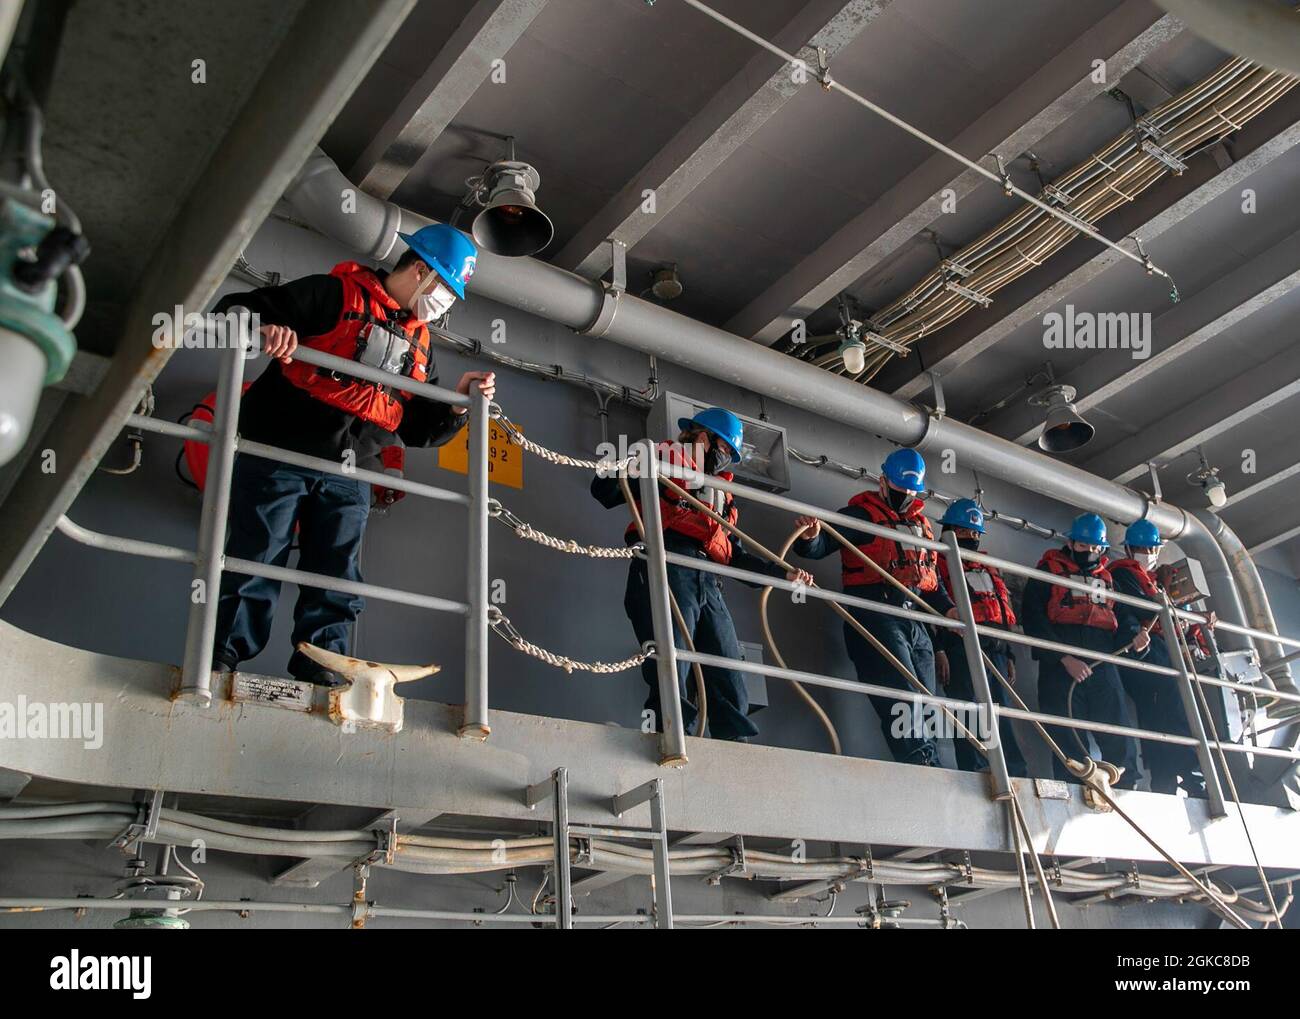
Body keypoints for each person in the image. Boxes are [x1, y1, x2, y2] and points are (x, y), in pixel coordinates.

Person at [210, 224, 496, 685]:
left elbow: (420, 429)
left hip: (352, 472)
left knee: (338, 574)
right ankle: (221, 659)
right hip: (279, 452)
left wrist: (459, 403)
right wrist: (262, 328)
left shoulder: (420, 345)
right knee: (256, 556)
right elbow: (230, 312)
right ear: (421, 271)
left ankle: (322, 669)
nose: (445, 302)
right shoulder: (330, 295)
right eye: (445, 288)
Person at [591, 408, 812, 742]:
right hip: (665, 564)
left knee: (726, 666)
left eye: (730, 455)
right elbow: (603, 490)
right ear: (703, 438)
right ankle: (668, 737)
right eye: (724, 449)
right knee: (672, 660)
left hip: (708, 580)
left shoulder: (720, 495)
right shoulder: (662, 459)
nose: (726, 459)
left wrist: (783, 574)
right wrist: (638, 460)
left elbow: (735, 555)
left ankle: (733, 746)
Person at [793, 448, 953, 766]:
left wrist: (949, 612)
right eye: (899, 490)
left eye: (911, 493)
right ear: (883, 483)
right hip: (875, 614)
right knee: (903, 697)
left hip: (913, 621)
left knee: (928, 703)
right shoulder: (861, 517)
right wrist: (810, 537)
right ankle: (922, 766)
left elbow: (932, 583)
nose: (904, 497)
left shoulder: (922, 528)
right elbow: (819, 547)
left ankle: (931, 765)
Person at [1021, 513, 1149, 786]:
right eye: (1082, 547)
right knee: (1066, 733)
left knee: (1116, 728)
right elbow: (1033, 619)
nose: (1088, 553)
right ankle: (1072, 788)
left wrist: (1135, 637)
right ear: (1071, 542)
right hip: (1060, 667)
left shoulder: (1108, 581)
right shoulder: (1046, 573)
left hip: (1102, 662)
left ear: (1101, 548)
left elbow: (1123, 618)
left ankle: (1127, 786)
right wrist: (1063, 658)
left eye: (1094, 548)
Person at [1110, 521, 1207, 796]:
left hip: (1165, 656)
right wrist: (1161, 589)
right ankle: (1184, 780)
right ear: (1128, 549)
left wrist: (1201, 621)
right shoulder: (1122, 575)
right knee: (1168, 718)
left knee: (1173, 717)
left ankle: (1185, 779)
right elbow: (1137, 611)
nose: (1147, 553)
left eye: (1151, 548)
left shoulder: (1156, 581)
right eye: (1141, 548)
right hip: (1146, 657)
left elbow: (1178, 618)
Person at [933, 499, 1028, 777]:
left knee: (1000, 714)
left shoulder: (986, 566)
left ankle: (1014, 771)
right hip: (959, 647)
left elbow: (1000, 610)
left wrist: (1008, 653)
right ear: (950, 529)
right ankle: (974, 772)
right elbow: (929, 604)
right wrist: (939, 649)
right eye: (965, 532)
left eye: (976, 533)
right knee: (969, 711)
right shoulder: (937, 561)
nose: (972, 538)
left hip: (994, 649)